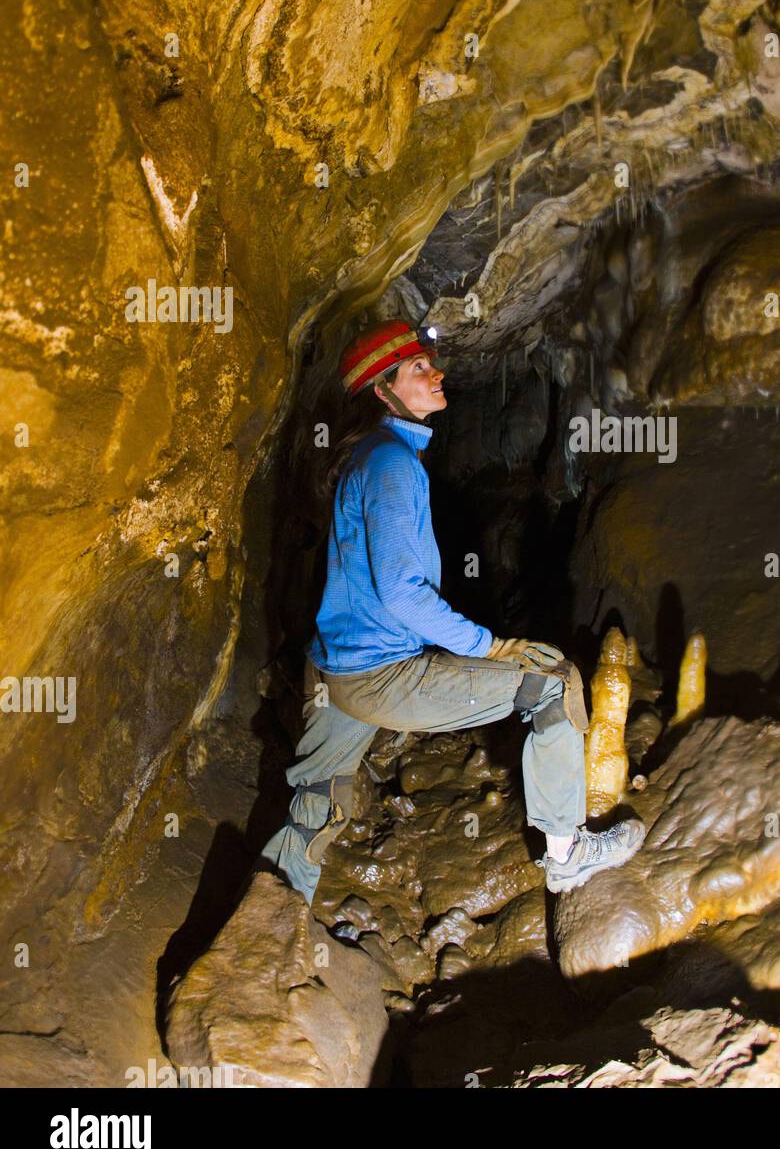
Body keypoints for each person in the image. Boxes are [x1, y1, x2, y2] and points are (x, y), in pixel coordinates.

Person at [261, 319, 644, 905]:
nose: (436, 373)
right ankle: (567, 857)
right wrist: (490, 646)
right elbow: (401, 593)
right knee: (553, 682)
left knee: (315, 804)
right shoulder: (392, 465)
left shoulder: (365, 456)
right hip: (381, 674)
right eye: (418, 368)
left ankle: (268, 921)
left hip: (336, 669)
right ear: (383, 390)